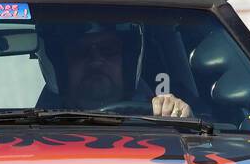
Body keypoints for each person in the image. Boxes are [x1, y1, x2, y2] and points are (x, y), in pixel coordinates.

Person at [42, 24, 191, 117]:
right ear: (62, 66)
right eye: (80, 52)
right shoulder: (34, 129)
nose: (96, 61)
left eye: (108, 50)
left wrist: (180, 117)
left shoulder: (160, 114)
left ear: (128, 63)